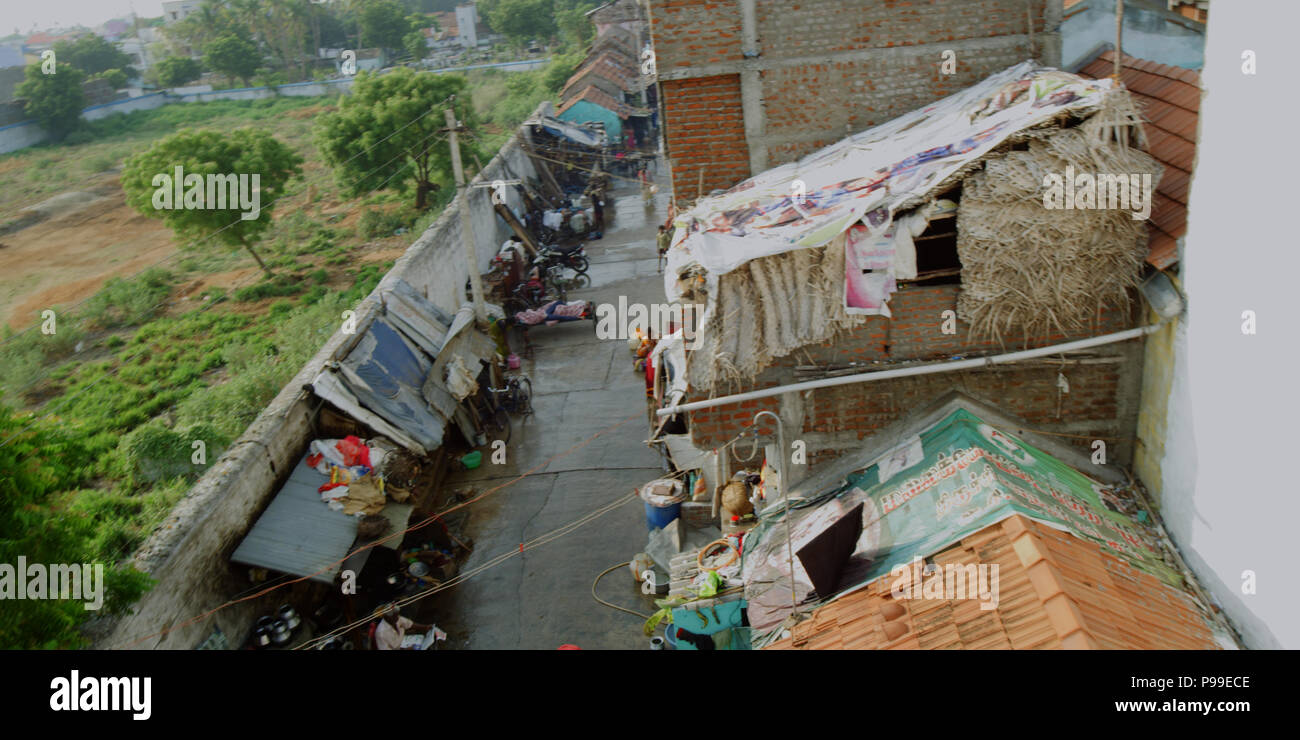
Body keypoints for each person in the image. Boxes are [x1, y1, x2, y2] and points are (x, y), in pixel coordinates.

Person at [374, 605, 443, 650]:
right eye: (394, 616)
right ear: (387, 618)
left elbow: (410, 624)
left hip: (403, 641)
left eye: (397, 615)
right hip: (397, 648)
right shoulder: (381, 633)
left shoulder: (397, 618)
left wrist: (426, 627)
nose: (397, 617)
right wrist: (406, 649)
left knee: (423, 640)